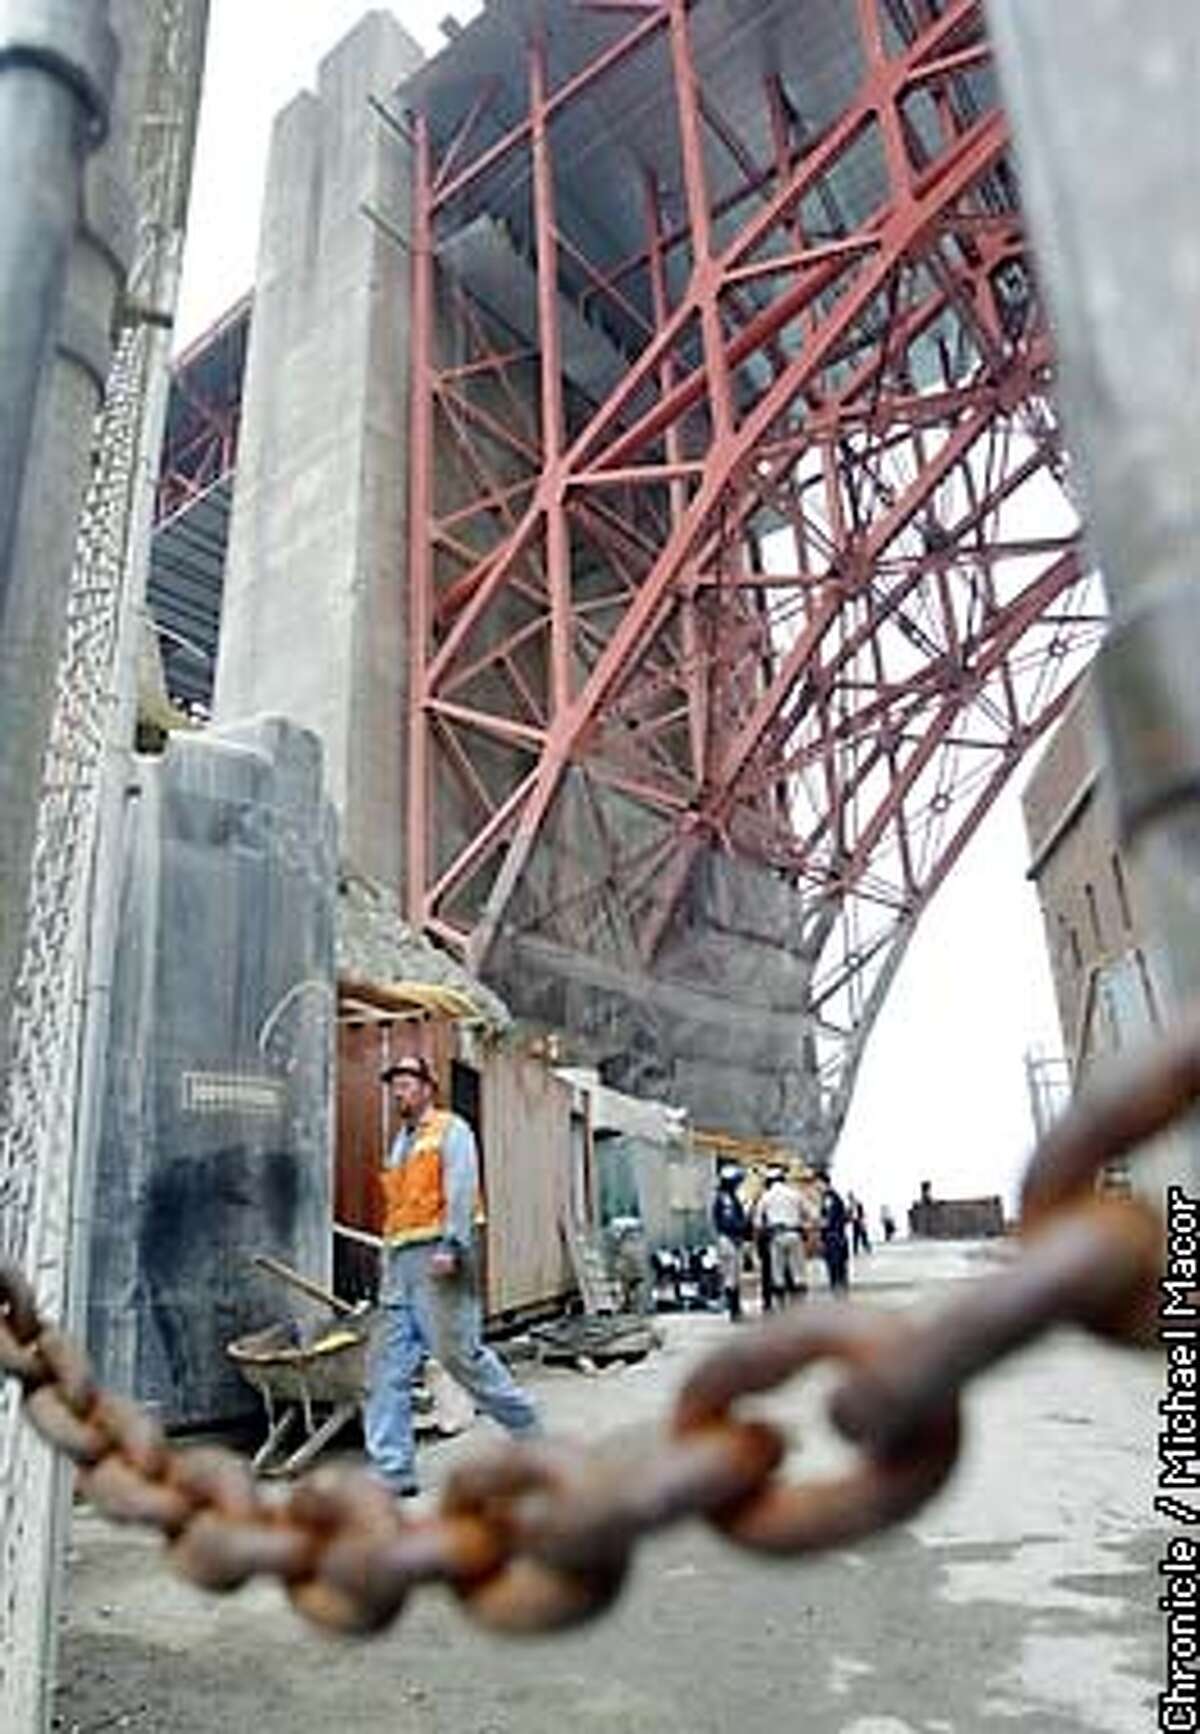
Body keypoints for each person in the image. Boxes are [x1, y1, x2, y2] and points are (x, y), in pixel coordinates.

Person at [365, 1054, 540, 1497]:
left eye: (407, 1084)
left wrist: (452, 1245)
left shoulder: (451, 1130)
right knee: (386, 1369)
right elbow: (398, 1210)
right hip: (400, 1267)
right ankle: (392, 1471)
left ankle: (534, 1440)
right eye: (395, 1086)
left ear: (428, 1088)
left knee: (463, 1359)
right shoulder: (399, 1144)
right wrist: (387, 1263)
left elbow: (461, 1189)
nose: (399, 1092)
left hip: (439, 1260)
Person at [757, 1166, 809, 1304]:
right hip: (794, 1234)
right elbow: (807, 1214)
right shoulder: (795, 1194)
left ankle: (781, 1304)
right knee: (798, 1271)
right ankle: (799, 1304)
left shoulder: (766, 1197)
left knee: (777, 1272)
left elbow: (758, 1222)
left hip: (776, 1236)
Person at [711, 1164, 750, 1321]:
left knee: (734, 1275)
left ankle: (735, 1307)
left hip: (731, 1239)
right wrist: (743, 1226)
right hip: (729, 1239)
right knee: (731, 1276)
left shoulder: (729, 1197)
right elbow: (729, 1222)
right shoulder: (726, 1199)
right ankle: (734, 1309)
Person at [820, 1178, 851, 1293]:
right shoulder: (835, 1196)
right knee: (839, 1264)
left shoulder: (829, 1198)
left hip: (833, 1236)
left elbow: (829, 1218)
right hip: (838, 1235)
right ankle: (841, 1286)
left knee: (834, 1264)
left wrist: (822, 1225)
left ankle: (837, 1288)